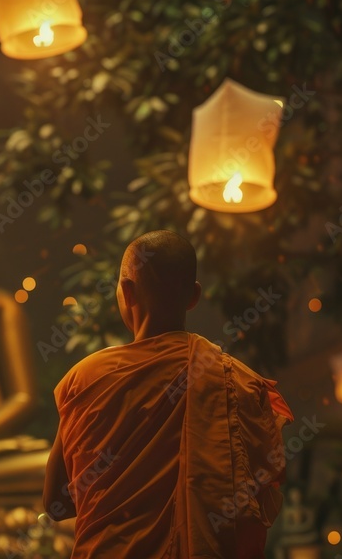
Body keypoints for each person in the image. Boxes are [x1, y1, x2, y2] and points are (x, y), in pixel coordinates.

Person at [44, 230, 294, 558]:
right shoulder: (234, 381)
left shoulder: (86, 378)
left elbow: (57, 504)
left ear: (126, 291)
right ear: (194, 296)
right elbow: (258, 498)